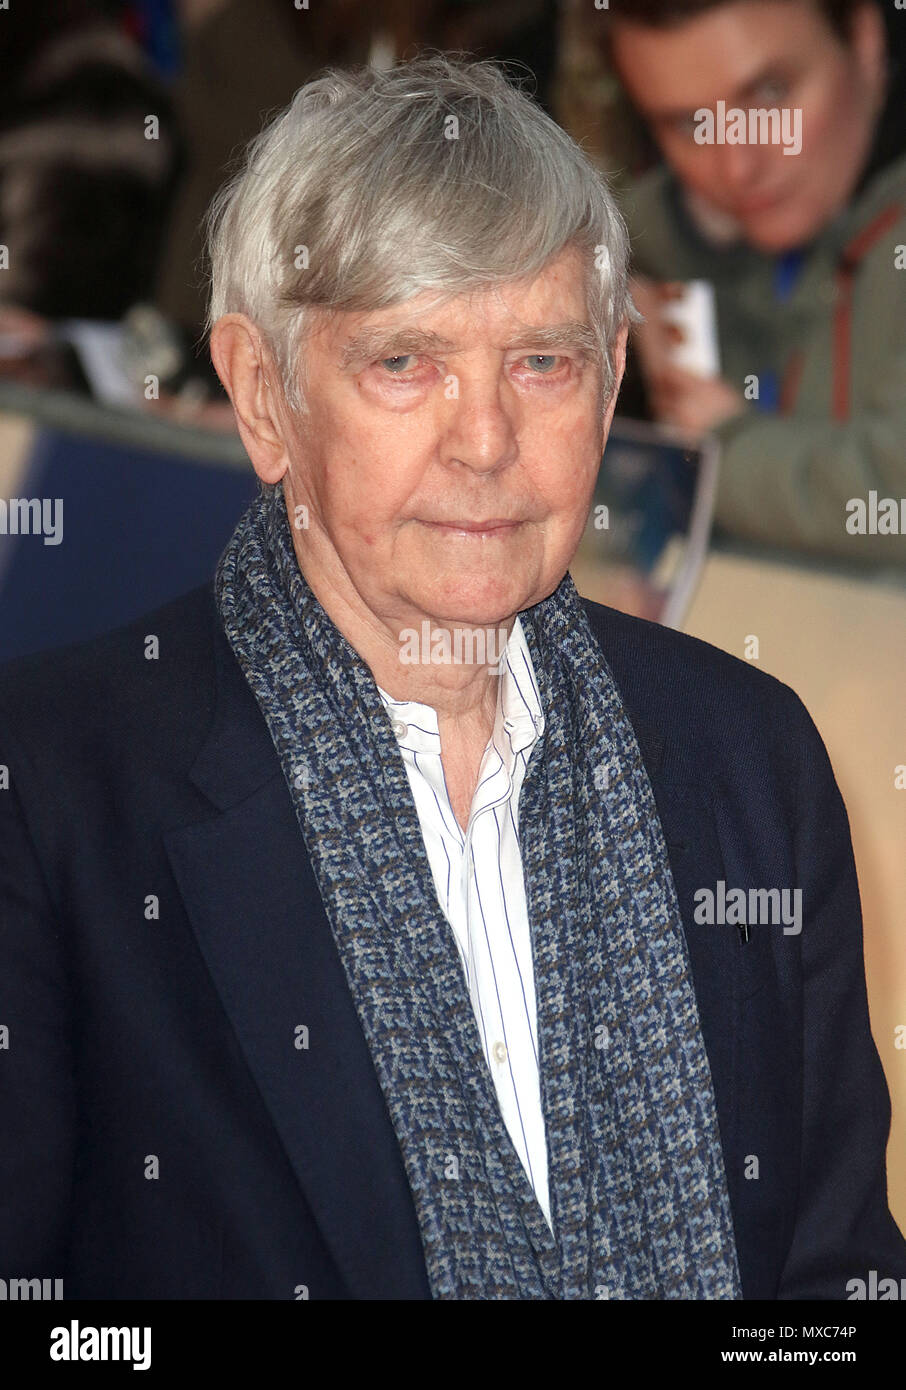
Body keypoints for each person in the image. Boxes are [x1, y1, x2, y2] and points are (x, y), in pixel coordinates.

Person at [0, 55, 903, 1301]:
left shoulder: (749, 754)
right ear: (263, 397)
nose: (487, 442)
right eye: (405, 364)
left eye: (541, 362)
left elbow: (834, 1277)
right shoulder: (52, 790)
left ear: (612, 387)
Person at [605, 0, 906, 566]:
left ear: (866, 42)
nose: (738, 166)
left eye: (770, 97)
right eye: (690, 124)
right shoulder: (679, 228)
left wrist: (719, 442)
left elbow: (893, 496)